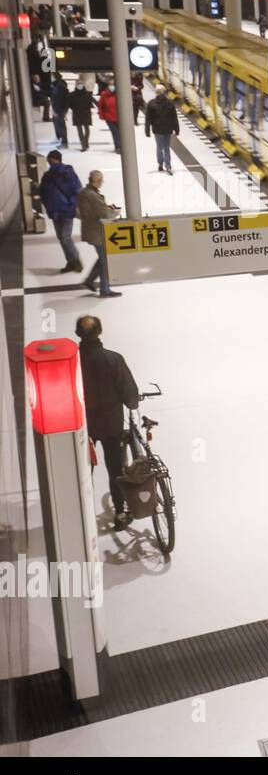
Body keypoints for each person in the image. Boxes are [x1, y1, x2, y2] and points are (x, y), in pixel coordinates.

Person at [75, 315, 137, 528]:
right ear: (100, 332)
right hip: (112, 425)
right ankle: (120, 514)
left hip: (84, 427)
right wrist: (132, 403)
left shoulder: (73, 362)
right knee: (116, 470)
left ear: (78, 334)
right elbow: (129, 392)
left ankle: (84, 515)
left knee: (84, 472)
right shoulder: (113, 359)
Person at [77, 170, 122, 298]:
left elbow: (84, 212)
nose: (102, 182)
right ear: (97, 181)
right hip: (97, 233)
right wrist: (115, 212)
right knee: (106, 261)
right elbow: (105, 214)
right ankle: (105, 290)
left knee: (103, 258)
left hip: (90, 230)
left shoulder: (83, 192)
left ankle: (90, 280)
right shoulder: (93, 196)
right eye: (101, 180)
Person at [39, 149, 84, 273]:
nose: (50, 163)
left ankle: (76, 260)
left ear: (57, 159)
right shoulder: (47, 176)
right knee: (61, 237)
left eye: (52, 160)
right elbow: (42, 192)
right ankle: (70, 262)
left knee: (65, 237)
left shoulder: (67, 173)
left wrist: (73, 204)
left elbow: (77, 190)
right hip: (54, 212)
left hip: (67, 210)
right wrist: (47, 205)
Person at [144, 91, 180, 174]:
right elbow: (174, 117)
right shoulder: (170, 104)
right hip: (168, 129)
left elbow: (148, 118)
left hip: (157, 129)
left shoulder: (151, 103)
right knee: (167, 148)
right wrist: (176, 129)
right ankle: (168, 166)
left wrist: (147, 130)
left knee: (159, 147)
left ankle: (160, 164)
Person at [69, 80, 95, 151]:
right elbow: (70, 104)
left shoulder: (88, 94)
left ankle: (85, 142)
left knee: (87, 129)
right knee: (79, 130)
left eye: (80, 84)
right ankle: (83, 145)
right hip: (77, 113)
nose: (79, 85)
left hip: (86, 113)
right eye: (78, 84)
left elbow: (91, 104)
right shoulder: (72, 94)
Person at [49, 73, 70, 148]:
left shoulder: (60, 86)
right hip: (56, 109)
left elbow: (62, 99)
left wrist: (59, 110)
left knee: (61, 126)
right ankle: (59, 139)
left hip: (59, 109)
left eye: (52, 76)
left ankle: (64, 143)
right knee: (57, 125)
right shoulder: (56, 85)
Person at [98, 80, 120, 152]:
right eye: (110, 84)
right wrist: (101, 115)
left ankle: (121, 146)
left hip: (119, 117)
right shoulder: (104, 94)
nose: (112, 86)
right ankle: (118, 147)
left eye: (113, 84)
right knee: (115, 132)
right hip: (109, 117)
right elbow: (100, 105)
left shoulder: (120, 93)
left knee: (120, 133)